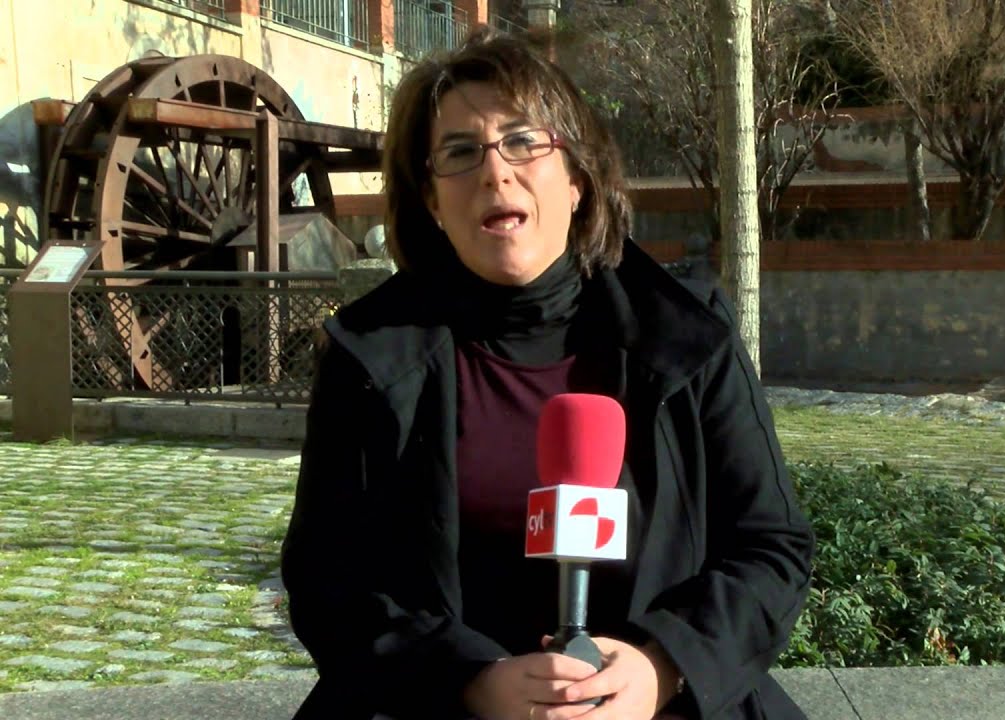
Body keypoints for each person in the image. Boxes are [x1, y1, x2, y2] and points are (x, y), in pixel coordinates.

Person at [280, 25, 814, 720]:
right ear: (433, 202)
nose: (495, 172)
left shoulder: (688, 338)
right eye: (460, 153)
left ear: (577, 180)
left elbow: (770, 548)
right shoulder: (369, 358)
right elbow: (328, 581)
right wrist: (472, 680)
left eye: (523, 141)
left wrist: (662, 666)